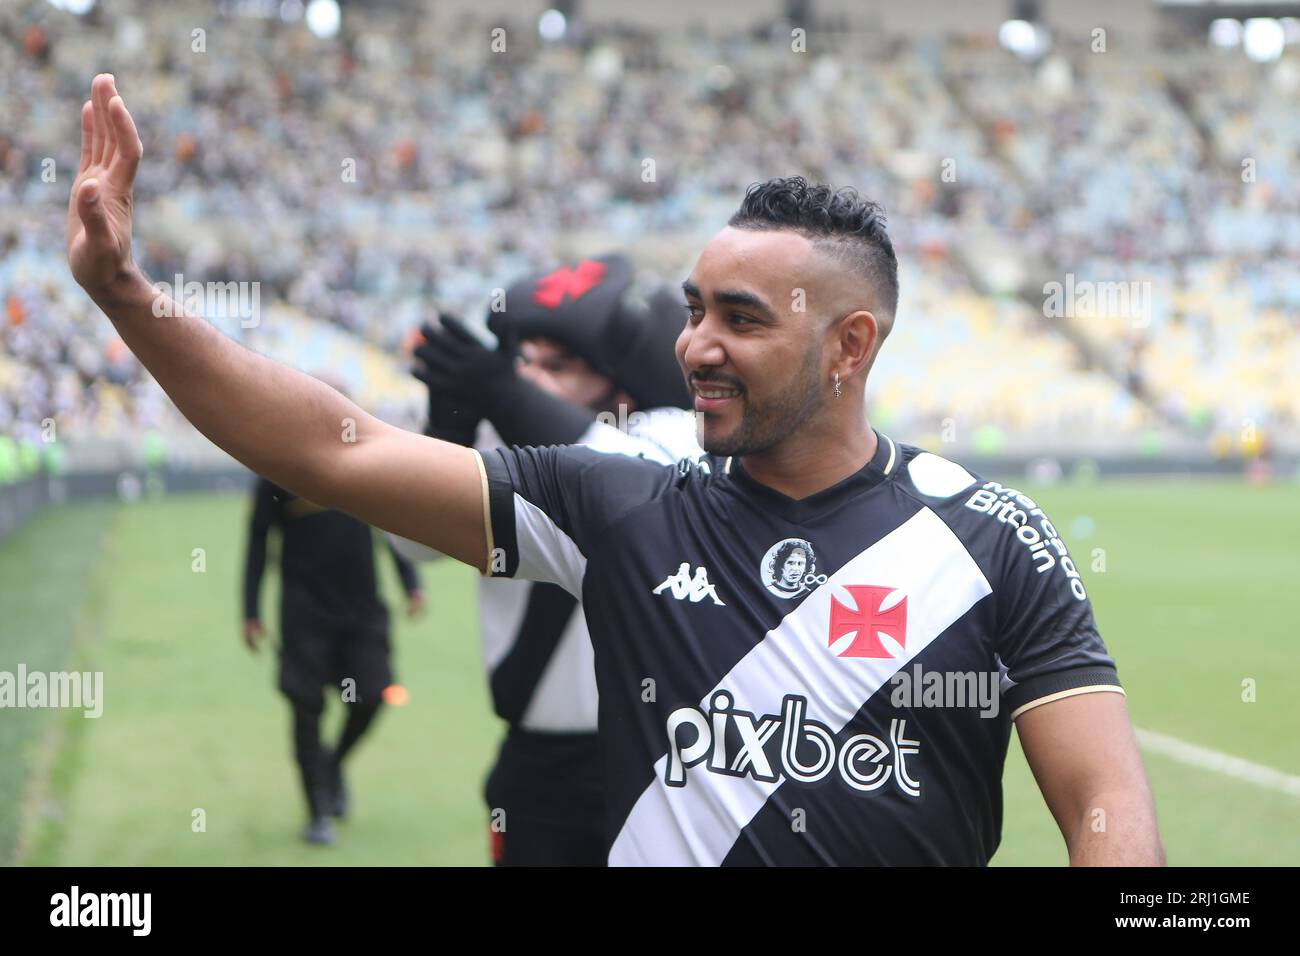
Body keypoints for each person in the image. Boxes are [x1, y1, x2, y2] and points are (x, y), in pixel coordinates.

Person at [66, 76, 1164, 865]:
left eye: (740, 319)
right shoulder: (620, 500)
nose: (696, 346)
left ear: (850, 344)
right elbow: (326, 447)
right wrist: (128, 293)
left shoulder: (989, 536)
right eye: (692, 312)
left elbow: (1104, 798)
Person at [396, 253, 701, 865]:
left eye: (558, 366)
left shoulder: (672, 433)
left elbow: (630, 480)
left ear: (620, 384)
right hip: (538, 768)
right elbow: (414, 544)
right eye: (524, 362)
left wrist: (502, 390)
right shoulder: (502, 441)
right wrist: (448, 422)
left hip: (659, 757)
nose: (532, 377)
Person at [243, 416, 426, 845]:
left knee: (373, 695)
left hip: (362, 612)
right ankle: (318, 811)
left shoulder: (366, 464)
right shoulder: (277, 468)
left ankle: (333, 764)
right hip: (305, 615)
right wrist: (250, 610)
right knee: (306, 709)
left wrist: (412, 583)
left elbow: (391, 524)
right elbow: (257, 542)